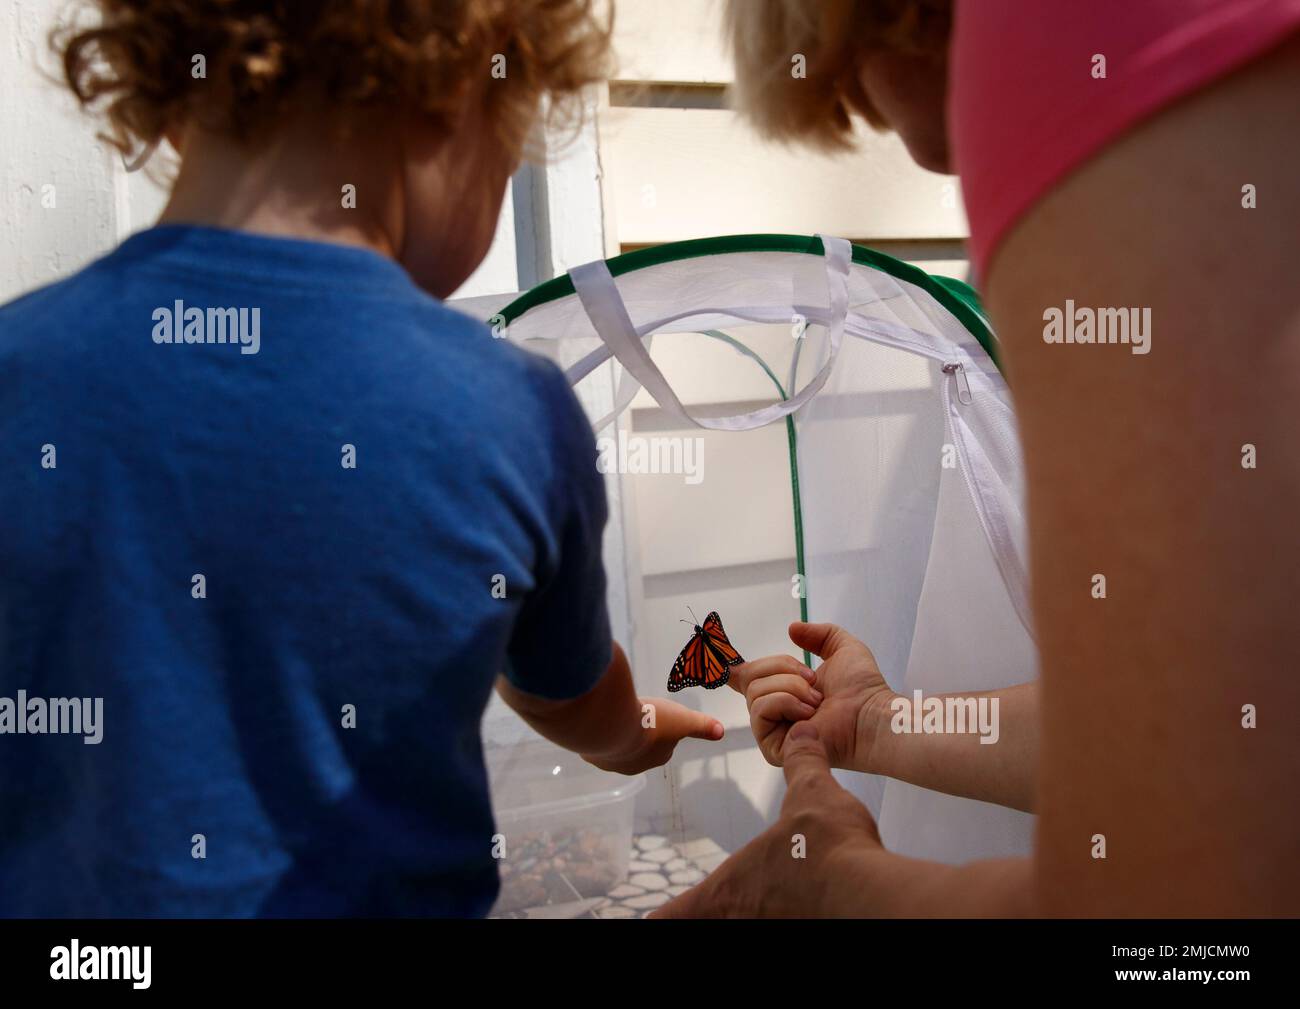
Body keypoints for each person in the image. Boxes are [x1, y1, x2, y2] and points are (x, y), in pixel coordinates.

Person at [0, 0, 722, 918]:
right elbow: (574, 699)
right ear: (467, 74)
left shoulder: (19, 371)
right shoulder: (507, 412)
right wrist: (635, 733)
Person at [659, 0, 1300, 916]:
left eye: (852, 86)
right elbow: (1232, 731)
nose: (924, 152)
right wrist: (875, 721)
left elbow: (1183, 925)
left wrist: (829, 889)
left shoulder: (1052, 28)